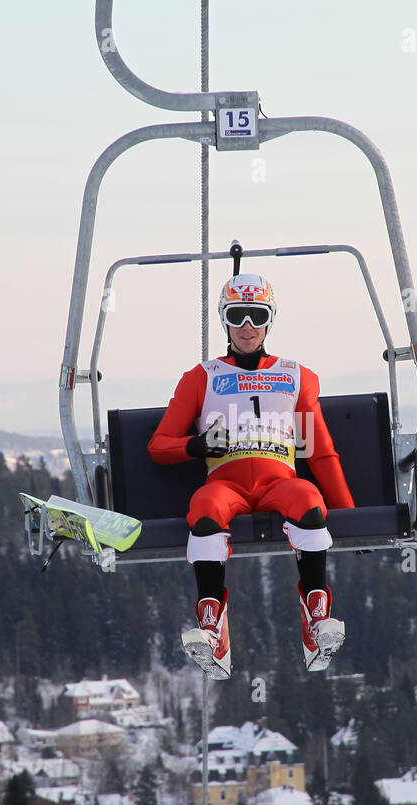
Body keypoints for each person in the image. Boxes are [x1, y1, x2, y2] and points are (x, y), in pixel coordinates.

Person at [147, 273, 355, 679]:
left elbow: (320, 449)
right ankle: (212, 627)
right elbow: (159, 445)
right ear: (224, 319)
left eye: (255, 316)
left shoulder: (297, 376)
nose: (246, 327)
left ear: (269, 320)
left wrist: (348, 514)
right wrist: (196, 445)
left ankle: (317, 617)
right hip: (226, 483)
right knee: (204, 507)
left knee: (309, 500)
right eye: (237, 315)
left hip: (280, 480)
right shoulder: (201, 377)